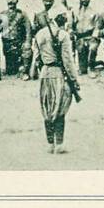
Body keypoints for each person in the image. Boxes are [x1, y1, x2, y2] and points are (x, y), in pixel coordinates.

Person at [33, 11, 80, 154]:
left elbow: (36, 58)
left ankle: (50, 144)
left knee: (47, 109)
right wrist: (74, 80)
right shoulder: (63, 35)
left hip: (44, 74)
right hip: (58, 74)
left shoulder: (40, 34)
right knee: (59, 109)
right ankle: (59, 144)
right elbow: (68, 61)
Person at [0, 0, 30, 79]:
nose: (11, 2)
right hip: (7, 43)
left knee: (21, 62)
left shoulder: (22, 14)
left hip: (18, 42)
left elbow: (28, 29)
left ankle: (23, 71)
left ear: (17, 1)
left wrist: (27, 41)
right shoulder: (2, 14)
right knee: (10, 71)